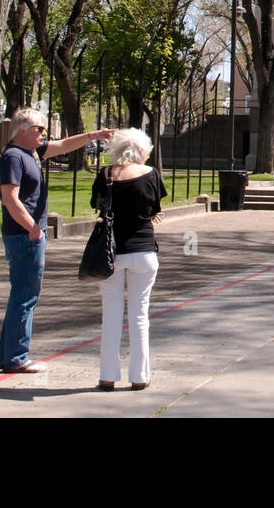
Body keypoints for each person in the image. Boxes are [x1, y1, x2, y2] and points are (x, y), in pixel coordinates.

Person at [0, 108, 112, 374]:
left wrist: (94, 135)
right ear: (21, 130)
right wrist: (32, 228)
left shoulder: (31, 152)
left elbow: (63, 146)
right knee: (25, 295)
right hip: (24, 236)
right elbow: (10, 199)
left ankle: (7, 355)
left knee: (21, 295)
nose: (44, 134)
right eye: (39, 129)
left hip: (27, 235)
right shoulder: (13, 157)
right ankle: (16, 357)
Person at [90, 128, 167, 390]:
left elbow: (98, 205)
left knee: (110, 314)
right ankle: (140, 376)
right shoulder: (151, 175)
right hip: (143, 250)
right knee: (139, 314)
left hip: (111, 252)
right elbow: (155, 208)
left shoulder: (105, 175)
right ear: (143, 150)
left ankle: (108, 376)